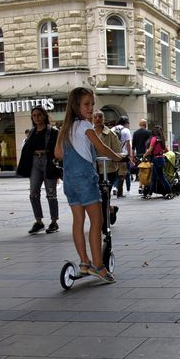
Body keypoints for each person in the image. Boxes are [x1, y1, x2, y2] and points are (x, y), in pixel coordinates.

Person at [54, 88, 123, 283]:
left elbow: (58, 154)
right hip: (85, 178)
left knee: (78, 221)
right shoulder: (85, 125)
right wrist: (118, 157)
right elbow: (101, 147)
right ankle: (99, 266)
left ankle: (84, 262)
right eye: (86, 104)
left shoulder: (65, 128)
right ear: (76, 105)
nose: (90, 108)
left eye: (92, 104)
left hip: (69, 180)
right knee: (97, 221)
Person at [16, 105, 60, 235]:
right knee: (33, 193)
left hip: (48, 161)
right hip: (35, 162)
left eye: (39, 115)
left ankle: (54, 221)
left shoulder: (53, 131)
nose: (36, 118)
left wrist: (58, 168)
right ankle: (39, 221)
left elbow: (58, 149)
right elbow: (27, 150)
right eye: (34, 116)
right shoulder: (32, 132)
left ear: (44, 116)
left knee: (51, 193)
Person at [115, 116, 132, 195]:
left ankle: (115, 188)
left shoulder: (112, 129)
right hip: (123, 155)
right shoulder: (126, 130)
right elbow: (128, 144)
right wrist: (130, 156)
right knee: (124, 173)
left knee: (114, 172)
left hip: (113, 154)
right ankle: (121, 192)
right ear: (125, 123)